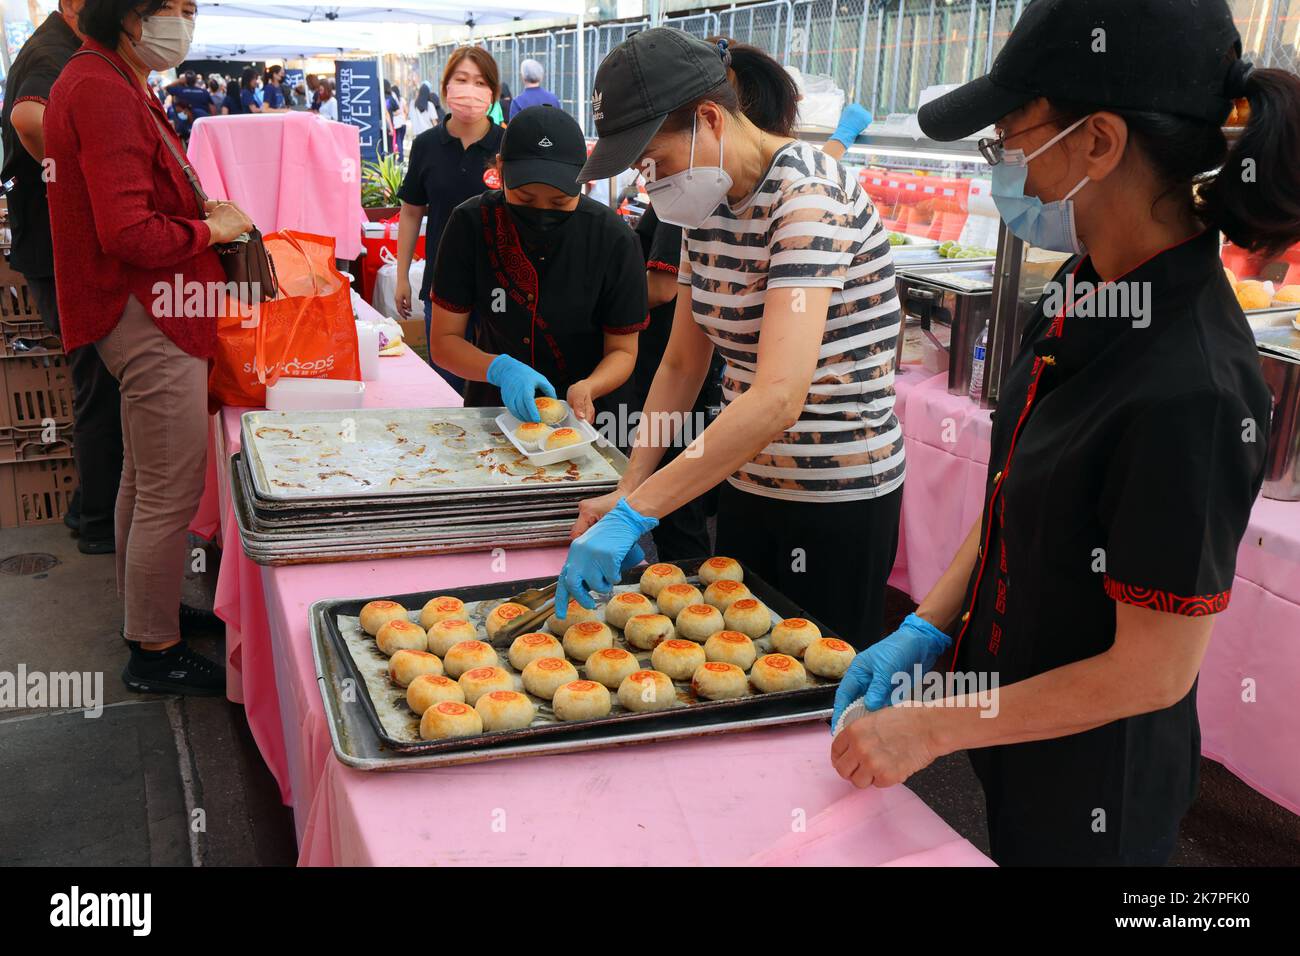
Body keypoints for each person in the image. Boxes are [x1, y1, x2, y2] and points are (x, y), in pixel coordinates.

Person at [828, 0, 1298, 867]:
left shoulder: (1190, 384)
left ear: (1098, 142)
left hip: (1097, 784)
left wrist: (932, 725)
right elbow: (1019, 491)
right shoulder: (1087, 284)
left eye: (1012, 134)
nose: (1007, 165)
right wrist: (926, 627)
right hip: (1019, 736)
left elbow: (1152, 672)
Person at [559, 31, 905, 648]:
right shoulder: (706, 203)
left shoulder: (808, 198)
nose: (652, 181)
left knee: (814, 687)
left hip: (835, 494)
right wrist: (630, 487)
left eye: (656, 163)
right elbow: (681, 366)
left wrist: (643, 511)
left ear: (710, 120)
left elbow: (778, 396)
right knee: (741, 662)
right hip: (745, 475)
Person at [46, 0, 256, 695]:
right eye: (181, 8)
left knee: (145, 477)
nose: (189, 22)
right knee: (169, 488)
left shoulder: (107, 76)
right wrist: (211, 234)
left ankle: (146, 618)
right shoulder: (101, 88)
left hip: (142, 310)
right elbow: (129, 232)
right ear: (134, 13)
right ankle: (154, 652)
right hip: (147, 312)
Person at [426, 106, 647, 424]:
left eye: (559, 202)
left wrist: (589, 386)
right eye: (525, 199)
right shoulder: (471, 224)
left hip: (591, 418)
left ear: (585, 180)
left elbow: (623, 351)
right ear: (501, 171)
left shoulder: (613, 239)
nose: (542, 212)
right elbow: (444, 342)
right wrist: (499, 369)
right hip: (496, 409)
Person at [0, 0, 123, 556]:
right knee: (99, 377)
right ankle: (98, 520)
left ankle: (86, 506)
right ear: (73, 6)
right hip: (55, 249)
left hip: (55, 246)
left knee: (98, 375)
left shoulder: (70, 47)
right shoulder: (52, 50)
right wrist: (82, 171)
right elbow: (27, 117)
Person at [393, 46, 504, 389]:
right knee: (447, 386)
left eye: (480, 82)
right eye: (462, 80)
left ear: (492, 93)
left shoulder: (507, 144)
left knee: (494, 387)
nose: (470, 89)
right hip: (442, 288)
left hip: (499, 289)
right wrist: (401, 276)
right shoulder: (427, 145)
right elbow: (411, 212)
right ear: (445, 88)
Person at [385, 79, 407, 160]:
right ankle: (400, 156)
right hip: (402, 123)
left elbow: (388, 111)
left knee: (396, 141)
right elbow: (404, 111)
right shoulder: (401, 100)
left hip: (395, 124)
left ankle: (399, 157)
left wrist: (391, 113)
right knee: (400, 141)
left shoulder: (389, 98)